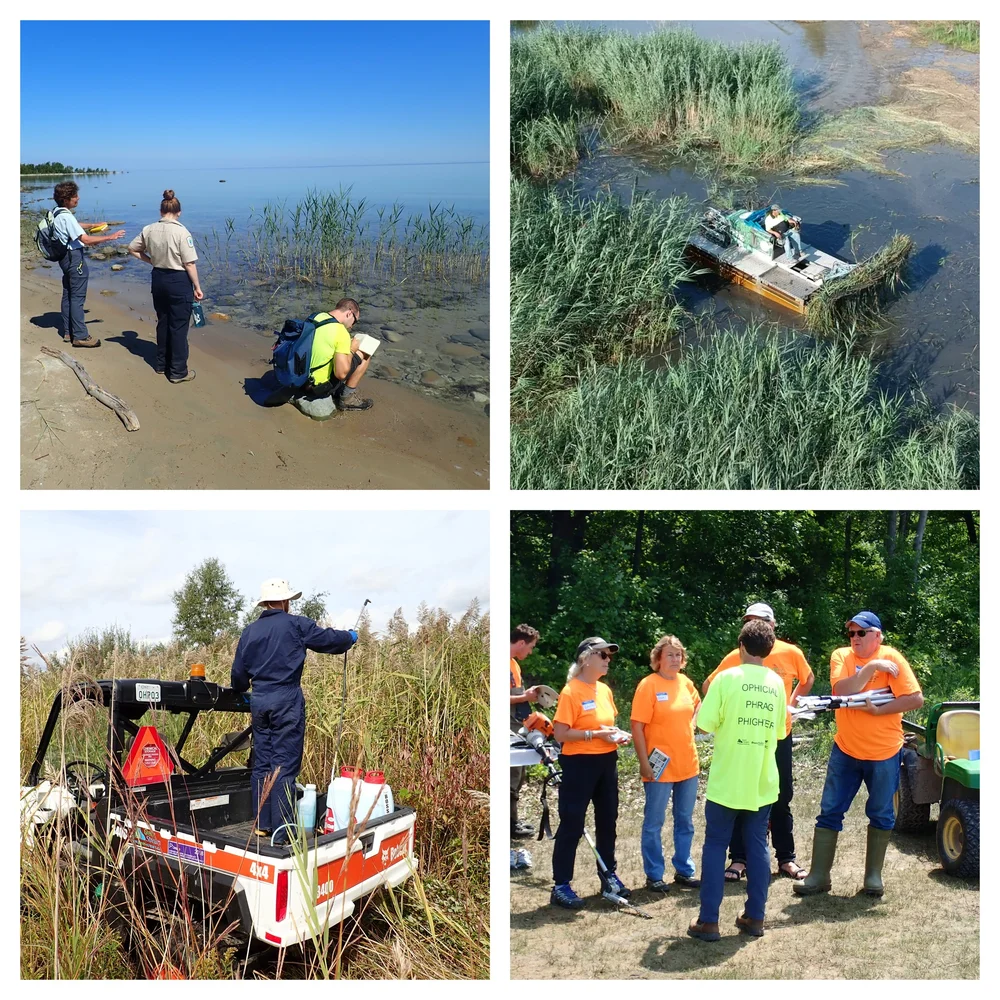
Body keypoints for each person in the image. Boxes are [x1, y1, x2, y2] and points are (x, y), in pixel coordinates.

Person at [795, 611, 923, 898]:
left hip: (884, 753)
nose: (855, 638)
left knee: (881, 813)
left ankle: (873, 877)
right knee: (829, 811)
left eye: (861, 633)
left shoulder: (894, 658)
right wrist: (872, 667)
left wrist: (879, 710)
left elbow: (915, 698)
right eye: (852, 633)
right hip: (846, 750)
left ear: (878, 635)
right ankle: (819, 876)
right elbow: (842, 690)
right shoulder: (842, 656)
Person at [231, 578, 358, 843]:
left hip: (260, 702)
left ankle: (263, 825)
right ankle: (283, 833)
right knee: (284, 766)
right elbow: (327, 640)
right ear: (286, 601)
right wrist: (349, 637)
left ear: (265, 603)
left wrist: (250, 690)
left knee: (262, 764)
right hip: (286, 700)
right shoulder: (296, 624)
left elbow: (238, 679)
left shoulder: (249, 632)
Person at [689, 619, 787, 941]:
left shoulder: (725, 679)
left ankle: (709, 922)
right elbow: (780, 731)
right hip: (761, 780)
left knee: (716, 845)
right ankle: (755, 918)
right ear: (769, 650)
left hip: (727, 780)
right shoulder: (776, 683)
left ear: (741, 647)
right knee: (758, 846)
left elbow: (704, 724)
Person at [702, 602, 814, 881]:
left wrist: (789, 707)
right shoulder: (735, 656)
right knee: (741, 797)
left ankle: (786, 858)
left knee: (781, 796)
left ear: (773, 625)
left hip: (778, 736)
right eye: (749, 620)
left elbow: (808, 678)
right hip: (743, 741)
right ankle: (738, 859)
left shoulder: (791, 652)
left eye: (760, 620)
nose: (755, 625)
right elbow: (708, 686)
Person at [549, 637, 630, 909]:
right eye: (603, 655)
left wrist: (617, 735)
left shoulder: (604, 690)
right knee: (572, 823)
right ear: (586, 658)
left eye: (609, 656)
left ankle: (608, 875)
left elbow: (609, 725)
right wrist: (594, 734)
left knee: (608, 820)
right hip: (579, 764)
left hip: (607, 761)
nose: (608, 660)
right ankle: (561, 885)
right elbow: (560, 733)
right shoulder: (571, 692)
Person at [630, 635, 702, 893]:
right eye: (669, 654)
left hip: (687, 764)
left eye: (678, 655)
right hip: (658, 766)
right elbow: (636, 726)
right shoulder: (648, 685)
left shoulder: (685, 682)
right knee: (654, 822)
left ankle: (684, 870)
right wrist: (643, 762)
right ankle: (655, 875)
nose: (674, 659)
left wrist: (692, 725)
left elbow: (697, 705)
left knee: (685, 820)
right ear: (658, 659)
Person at [128, 190, 203, 383]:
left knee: (163, 321)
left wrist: (151, 261)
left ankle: (161, 364)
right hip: (178, 280)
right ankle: (178, 371)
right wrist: (197, 286)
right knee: (178, 326)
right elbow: (189, 264)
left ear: (161, 211)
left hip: (158, 278)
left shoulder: (149, 229)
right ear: (179, 212)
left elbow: (132, 248)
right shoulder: (182, 232)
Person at [49, 180, 126, 348]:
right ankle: (80, 336)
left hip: (64, 258)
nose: (78, 198)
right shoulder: (66, 216)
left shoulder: (56, 212)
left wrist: (93, 225)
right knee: (77, 298)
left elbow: (75, 226)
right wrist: (109, 238)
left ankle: (68, 331)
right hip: (74, 258)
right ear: (66, 198)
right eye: (75, 196)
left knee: (68, 294)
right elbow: (85, 239)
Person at [291, 299, 374, 418]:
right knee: (365, 354)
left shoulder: (316, 316)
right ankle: (346, 399)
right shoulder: (341, 332)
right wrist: (351, 349)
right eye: (354, 321)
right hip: (315, 387)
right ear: (349, 313)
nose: (351, 326)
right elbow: (341, 374)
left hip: (299, 375)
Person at [510, 624, 542, 838]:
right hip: (507, 726)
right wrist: (525, 697)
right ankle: (509, 826)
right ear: (521, 643)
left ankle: (513, 821)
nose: (530, 652)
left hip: (517, 722)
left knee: (519, 774)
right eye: (529, 647)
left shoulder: (514, 665)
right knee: (511, 775)